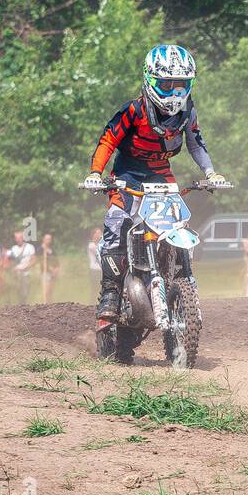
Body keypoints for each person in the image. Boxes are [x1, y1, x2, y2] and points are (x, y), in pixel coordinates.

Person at [83, 45, 227, 329]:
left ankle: (178, 278)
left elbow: (196, 143)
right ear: (150, 81)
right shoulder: (134, 109)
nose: (174, 93)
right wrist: (95, 173)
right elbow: (108, 140)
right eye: (166, 85)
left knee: (179, 223)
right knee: (116, 222)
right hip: (127, 174)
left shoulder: (187, 110)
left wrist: (211, 173)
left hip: (161, 174)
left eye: (181, 85)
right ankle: (110, 294)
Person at [5, 230, 37, 304]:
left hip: (27, 274)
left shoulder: (30, 247)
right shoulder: (13, 248)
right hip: (16, 275)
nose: (18, 239)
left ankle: (24, 307)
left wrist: (26, 267)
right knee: (16, 293)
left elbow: (34, 260)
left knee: (25, 293)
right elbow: (11, 261)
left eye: (20, 237)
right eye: (16, 238)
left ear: (23, 238)